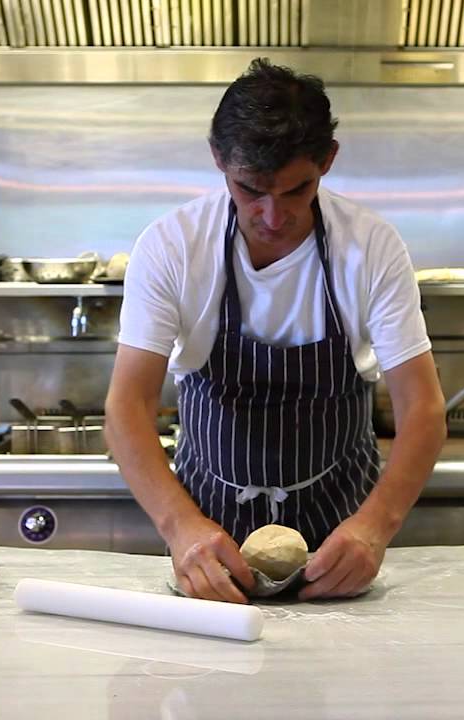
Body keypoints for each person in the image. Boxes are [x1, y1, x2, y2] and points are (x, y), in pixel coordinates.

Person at [105, 58, 445, 604]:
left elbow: (423, 408)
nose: (271, 214)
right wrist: (179, 528)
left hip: (340, 534)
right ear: (219, 160)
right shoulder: (173, 247)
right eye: (250, 189)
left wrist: (375, 528)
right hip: (206, 538)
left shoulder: (372, 248)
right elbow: (128, 405)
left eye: (295, 190)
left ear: (327, 161)